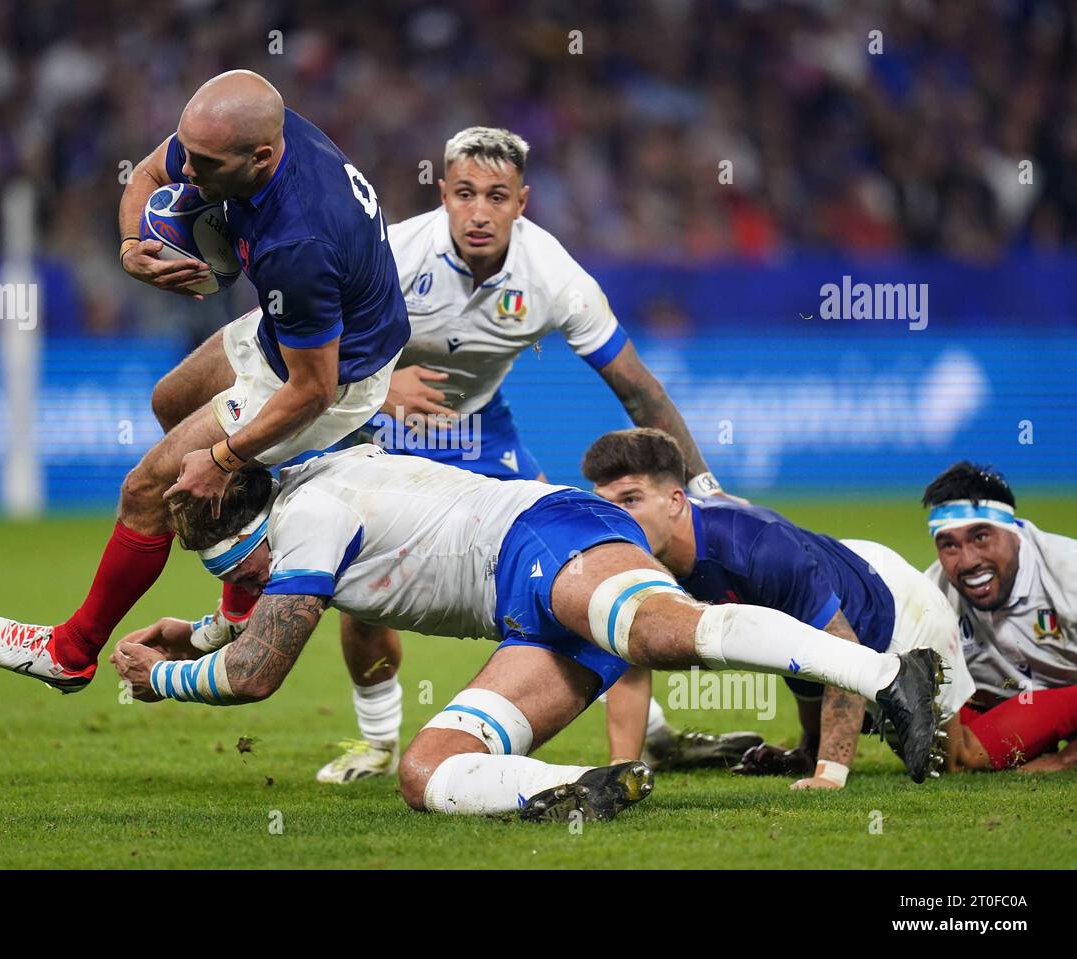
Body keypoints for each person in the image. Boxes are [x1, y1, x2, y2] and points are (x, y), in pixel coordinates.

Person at [109, 444, 947, 825]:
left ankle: (882, 672)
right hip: (526, 616)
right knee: (425, 772)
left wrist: (162, 678)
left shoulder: (309, 519)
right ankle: (584, 786)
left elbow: (257, 675)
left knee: (663, 632)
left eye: (243, 577)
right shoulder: (300, 494)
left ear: (259, 545)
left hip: (543, 537)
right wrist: (207, 631)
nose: (243, 592)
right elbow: (258, 620)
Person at [312, 126, 757, 783]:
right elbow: (311, 362)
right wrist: (381, 392)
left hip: (480, 433)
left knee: (595, 564)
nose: (479, 211)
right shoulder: (394, 255)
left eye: (497, 195)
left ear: (523, 201)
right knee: (361, 594)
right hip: (385, 429)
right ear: (443, 195)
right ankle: (379, 742)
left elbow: (637, 386)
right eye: (464, 193)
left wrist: (706, 487)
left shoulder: (551, 275)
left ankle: (653, 734)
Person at [0, 70, 409, 690]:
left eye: (203, 163)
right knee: (170, 400)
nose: (189, 172)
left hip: (330, 372)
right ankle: (245, 587)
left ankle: (72, 651)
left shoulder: (297, 242)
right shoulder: (245, 136)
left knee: (149, 488)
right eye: (188, 152)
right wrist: (129, 248)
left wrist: (223, 458)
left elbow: (314, 389)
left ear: (261, 157)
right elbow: (146, 176)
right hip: (290, 333)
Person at [583, 428, 972, 788]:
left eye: (630, 499)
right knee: (801, 657)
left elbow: (845, 647)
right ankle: (810, 748)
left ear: (675, 501)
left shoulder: (755, 548)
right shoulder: (626, 556)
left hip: (897, 610)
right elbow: (630, 661)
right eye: (603, 503)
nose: (614, 516)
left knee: (953, 762)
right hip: (826, 580)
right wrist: (621, 776)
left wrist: (829, 775)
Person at [922, 462, 1077, 773]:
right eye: (949, 545)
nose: (967, 562)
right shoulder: (931, 596)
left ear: (1013, 531)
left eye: (980, 537)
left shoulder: (1069, 571)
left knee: (965, 756)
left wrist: (1068, 759)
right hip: (1013, 702)